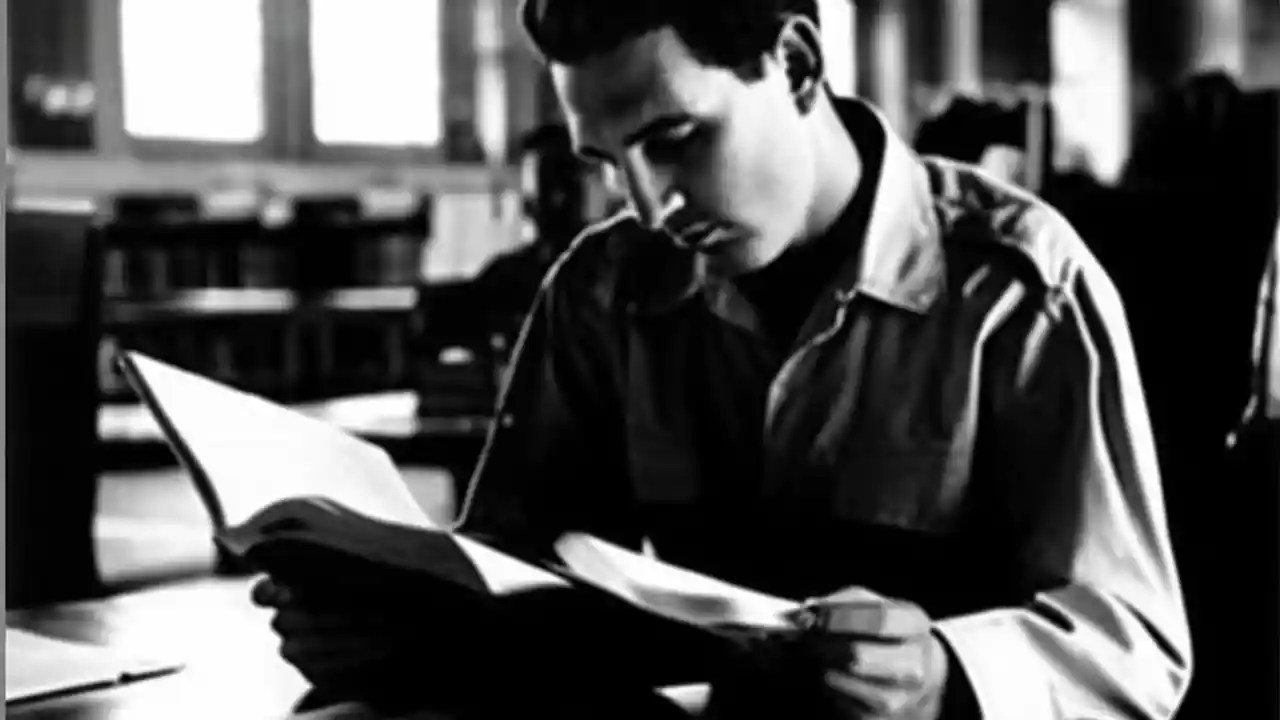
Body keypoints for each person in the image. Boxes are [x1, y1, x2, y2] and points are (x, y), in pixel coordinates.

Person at [254, 0, 1193, 717]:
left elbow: (1136, 647)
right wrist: (391, 633)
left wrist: (947, 672)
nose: (649, 205)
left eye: (675, 139)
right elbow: (509, 583)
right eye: (607, 161)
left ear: (794, 64)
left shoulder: (1022, 288)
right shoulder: (600, 291)